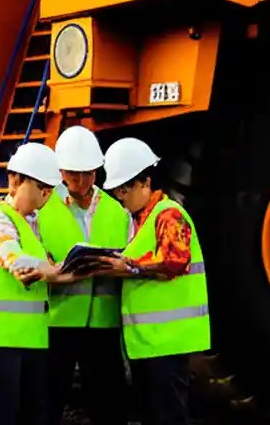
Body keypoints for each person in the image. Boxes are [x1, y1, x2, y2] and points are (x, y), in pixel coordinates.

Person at [96, 137, 210, 425]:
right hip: (147, 344)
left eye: (124, 188)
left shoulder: (169, 215)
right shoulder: (139, 220)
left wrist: (127, 266)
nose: (119, 196)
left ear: (145, 183)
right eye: (116, 190)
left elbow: (175, 261)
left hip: (167, 345)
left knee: (168, 416)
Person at [0, 141, 74, 425]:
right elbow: (14, 260)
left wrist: (73, 270)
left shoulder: (30, 224)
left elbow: (42, 267)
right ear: (16, 181)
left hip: (29, 340)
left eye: (50, 191)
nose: (46, 198)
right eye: (43, 190)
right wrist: (51, 271)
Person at [40, 125, 133, 425]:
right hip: (57, 322)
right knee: (46, 404)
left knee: (109, 406)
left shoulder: (117, 211)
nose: (80, 181)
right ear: (59, 171)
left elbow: (132, 254)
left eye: (87, 173)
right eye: (72, 174)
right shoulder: (42, 209)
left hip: (103, 325)